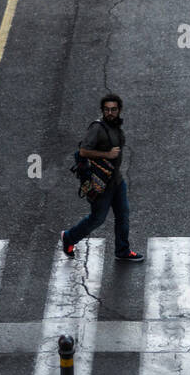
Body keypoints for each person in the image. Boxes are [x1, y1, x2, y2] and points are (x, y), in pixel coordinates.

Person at [61, 93, 144, 262]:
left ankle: (122, 250)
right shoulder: (97, 128)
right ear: (102, 111)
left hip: (117, 181)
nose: (110, 113)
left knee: (123, 215)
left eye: (113, 109)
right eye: (107, 110)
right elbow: (83, 151)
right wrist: (107, 154)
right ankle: (69, 238)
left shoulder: (116, 126)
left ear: (119, 110)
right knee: (97, 219)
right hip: (101, 183)